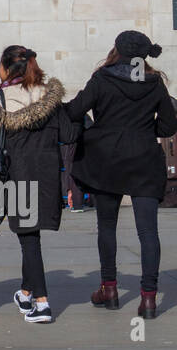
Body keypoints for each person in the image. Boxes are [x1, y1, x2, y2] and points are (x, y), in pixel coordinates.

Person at [65, 31, 177, 319]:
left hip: (106, 160)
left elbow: (75, 110)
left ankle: (110, 288)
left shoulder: (102, 79)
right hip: (144, 160)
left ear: (116, 50)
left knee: (107, 226)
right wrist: (141, 132)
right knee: (148, 231)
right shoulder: (154, 84)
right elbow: (167, 127)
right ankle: (149, 298)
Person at [0, 46, 81, 324]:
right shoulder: (49, 98)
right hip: (48, 176)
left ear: (5, 68)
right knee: (31, 237)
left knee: (29, 241)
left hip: (17, 177)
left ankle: (42, 303)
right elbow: (69, 133)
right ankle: (26, 293)